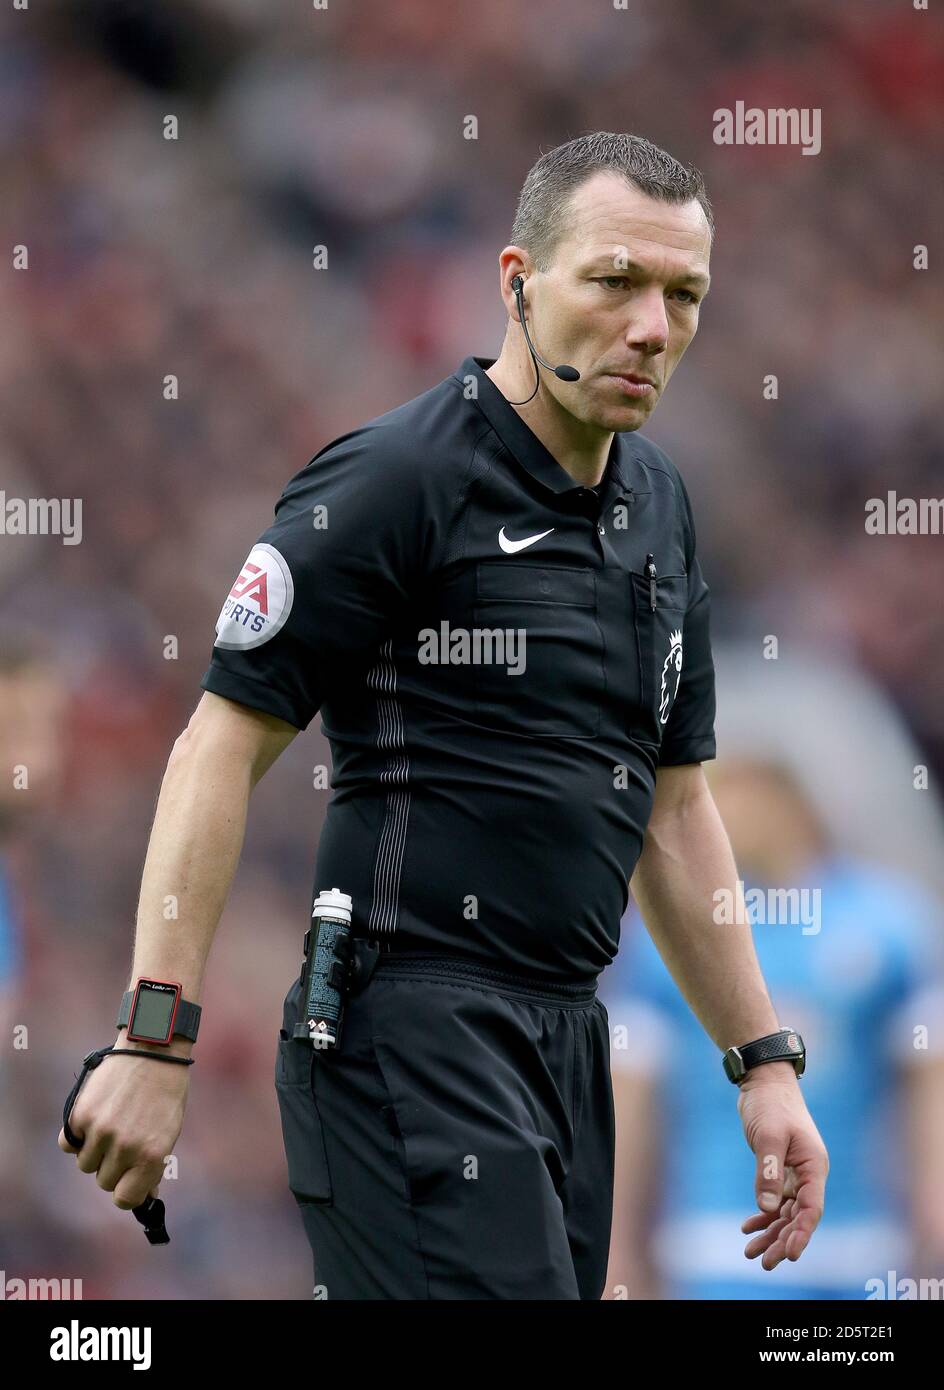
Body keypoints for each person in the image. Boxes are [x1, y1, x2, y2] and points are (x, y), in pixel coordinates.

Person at [58, 130, 828, 1300]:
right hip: (403, 1026)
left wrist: (761, 1063)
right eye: (613, 280)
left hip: (566, 1038)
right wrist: (153, 1036)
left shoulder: (661, 507)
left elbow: (672, 812)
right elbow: (216, 747)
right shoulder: (392, 481)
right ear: (517, 283)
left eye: (682, 295)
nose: (651, 327)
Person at [603, 757, 944, 1300]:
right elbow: (632, 1102)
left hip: (862, 1247)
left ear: (788, 799)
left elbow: (928, 1082)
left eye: (734, 792)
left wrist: (933, 1205)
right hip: (717, 1242)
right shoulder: (677, 934)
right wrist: (616, 1241)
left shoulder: (889, 921)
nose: (723, 813)